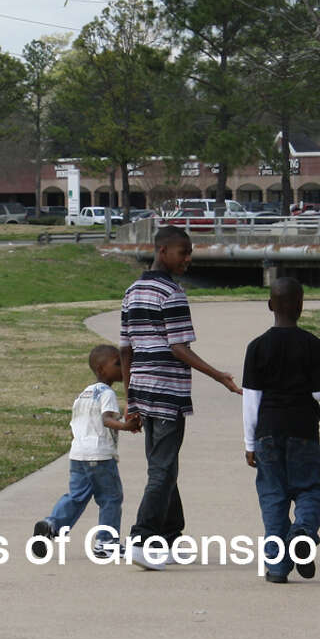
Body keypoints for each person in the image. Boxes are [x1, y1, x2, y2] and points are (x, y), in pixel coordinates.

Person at [119, 224, 241, 569]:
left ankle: (171, 537)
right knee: (162, 470)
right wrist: (220, 377)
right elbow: (177, 347)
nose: (188, 259)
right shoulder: (172, 294)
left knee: (162, 467)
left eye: (189, 253)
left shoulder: (131, 291)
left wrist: (130, 398)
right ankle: (142, 539)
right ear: (162, 252)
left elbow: (125, 350)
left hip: (143, 390)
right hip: (167, 392)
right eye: (182, 252)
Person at [241, 276, 320, 583]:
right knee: (309, 488)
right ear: (301, 306)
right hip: (304, 431)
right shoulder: (312, 344)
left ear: (270, 305)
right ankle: (303, 532)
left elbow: (251, 399)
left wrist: (249, 443)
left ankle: (277, 567)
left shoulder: (256, 347)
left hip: (268, 433)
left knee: (273, 497)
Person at [30, 344, 141, 561]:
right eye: (118, 364)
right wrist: (127, 426)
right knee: (110, 497)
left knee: (76, 496)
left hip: (78, 455)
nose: (123, 368)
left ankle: (51, 524)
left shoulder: (82, 395)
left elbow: (81, 424)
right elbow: (106, 420)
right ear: (101, 369)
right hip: (99, 456)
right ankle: (106, 543)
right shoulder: (107, 393)